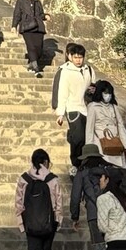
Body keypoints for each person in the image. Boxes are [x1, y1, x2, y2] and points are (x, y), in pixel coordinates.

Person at [52, 43, 97, 173]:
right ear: (70, 56)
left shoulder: (89, 69)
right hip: (72, 108)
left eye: (80, 57)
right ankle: (75, 163)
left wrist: (93, 89)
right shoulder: (65, 71)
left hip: (87, 108)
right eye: (75, 57)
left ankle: (83, 163)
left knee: (86, 137)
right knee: (78, 137)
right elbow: (62, 92)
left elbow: (94, 84)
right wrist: (60, 113)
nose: (78, 60)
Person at [14, 148, 62, 250]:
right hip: (49, 224)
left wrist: (21, 224)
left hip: (30, 225)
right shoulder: (53, 180)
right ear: (46, 162)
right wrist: (58, 222)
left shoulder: (24, 179)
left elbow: (18, 203)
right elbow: (58, 203)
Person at [70, 143, 108, 250]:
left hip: (93, 214)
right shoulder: (106, 172)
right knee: (111, 246)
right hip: (110, 213)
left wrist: (75, 217)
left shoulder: (81, 174)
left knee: (100, 247)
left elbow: (75, 197)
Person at [85, 80, 126, 169]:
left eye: (109, 93)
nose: (108, 95)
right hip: (100, 142)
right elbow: (89, 129)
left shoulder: (114, 107)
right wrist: (89, 149)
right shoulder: (93, 107)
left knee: (115, 173)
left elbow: (120, 126)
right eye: (105, 92)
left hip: (115, 143)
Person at [12, 0, 50, 77]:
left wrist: (45, 16)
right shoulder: (20, 2)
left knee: (39, 49)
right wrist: (14, 26)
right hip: (27, 27)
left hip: (38, 27)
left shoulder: (37, 2)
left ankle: (31, 64)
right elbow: (17, 14)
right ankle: (36, 69)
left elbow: (41, 14)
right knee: (31, 47)